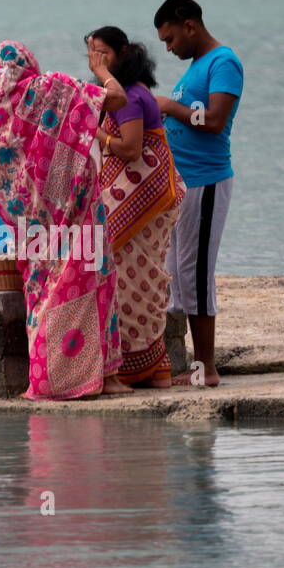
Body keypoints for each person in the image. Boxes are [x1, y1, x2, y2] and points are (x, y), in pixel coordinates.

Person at [0, 40, 131, 400]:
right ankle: (91, 377)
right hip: (73, 215)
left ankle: (57, 376)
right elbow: (117, 99)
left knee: (43, 292)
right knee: (94, 279)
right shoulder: (45, 89)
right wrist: (102, 73)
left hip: (33, 228)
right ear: (27, 66)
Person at [85, 26, 185, 388]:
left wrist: (94, 132)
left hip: (146, 196)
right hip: (145, 198)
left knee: (128, 273)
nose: (95, 62)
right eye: (91, 55)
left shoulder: (129, 95)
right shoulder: (126, 93)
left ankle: (131, 366)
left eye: (103, 55)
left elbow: (130, 149)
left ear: (122, 53)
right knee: (141, 277)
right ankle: (154, 367)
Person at [152, 0, 243, 387]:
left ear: (189, 25)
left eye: (170, 39)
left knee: (196, 273)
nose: (169, 48)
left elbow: (215, 119)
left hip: (206, 182)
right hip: (183, 186)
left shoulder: (223, 63)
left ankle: (207, 368)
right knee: (175, 273)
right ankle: (187, 363)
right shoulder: (195, 68)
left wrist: (169, 107)